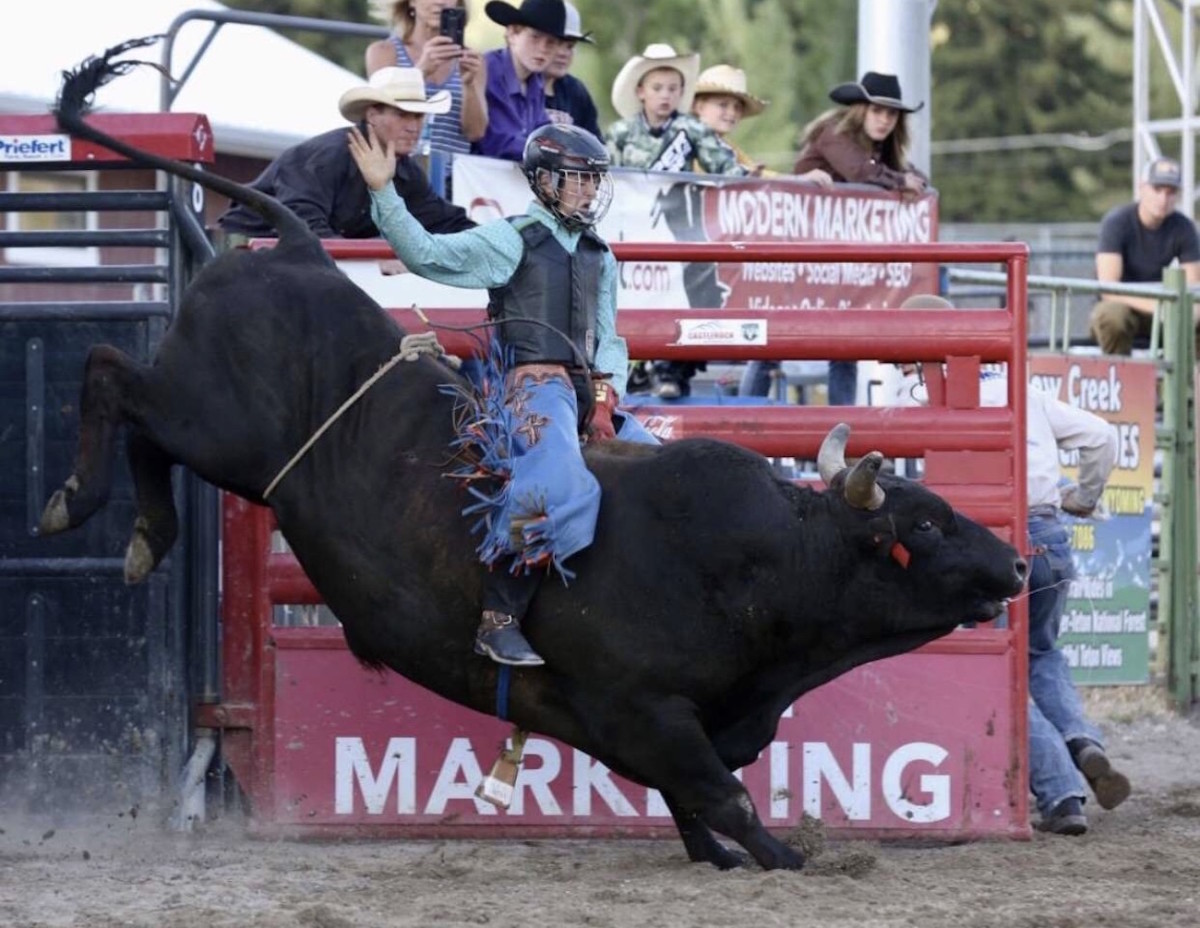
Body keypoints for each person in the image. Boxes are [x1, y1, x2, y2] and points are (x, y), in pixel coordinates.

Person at [349, 121, 643, 667]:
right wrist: (382, 191)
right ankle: (499, 615)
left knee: (657, 463)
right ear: (545, 182)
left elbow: (610, 338)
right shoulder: (511, 239)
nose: (588, 190)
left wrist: (606, 398)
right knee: (557, 483)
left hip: (586, 392)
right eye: (577, 178)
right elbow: (426, 254)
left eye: (592, 180)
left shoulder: (601, 255)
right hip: (531, 387)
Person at [889, 295, 1131, 836]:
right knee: (1040, 652)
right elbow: (1102, 436)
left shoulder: (918, 394)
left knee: (997, 664)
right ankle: (1082, 740)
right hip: (1048, 533)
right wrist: (1085, 499)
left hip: (981, 547)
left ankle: (1061, 793)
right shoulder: (1023, 389)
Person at [793, 72, 928, 407]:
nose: (884, 120)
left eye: (891, 114)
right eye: (877, 111)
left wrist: (911, 180)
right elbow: (858, 172)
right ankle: (748, 419)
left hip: (839, 258)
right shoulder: (833, 134)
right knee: (771, 343)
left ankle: (841, 433)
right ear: (860, 110)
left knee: (845, 344)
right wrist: (902, 181)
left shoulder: (881, 152)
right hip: (800, 249)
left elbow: (910, 175)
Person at [218, 68, 473, 241]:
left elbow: (444, 221)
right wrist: (373, 259)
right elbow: (305, 226)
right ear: (372, 116)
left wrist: (497, 239)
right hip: (243, 251)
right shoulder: (325, 157)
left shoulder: (407, 172)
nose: (413, 126)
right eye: (402, 114)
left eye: (418, 116)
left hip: (299, 262)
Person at [363, 0, 488, 196]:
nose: (440, 2)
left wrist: (468, 84)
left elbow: (475, 132)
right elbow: (379, 115)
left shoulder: (471, 60)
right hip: (398, 175)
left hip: (453, 182)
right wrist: (420, 71)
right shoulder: (384, 51)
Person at [1091, 157, 1200, 355]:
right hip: (1125, 309)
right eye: (1157, 189)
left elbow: (1193, 287)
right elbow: (1108, 288)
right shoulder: (1117, 222)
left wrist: (1188, 312)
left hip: (1164, 311)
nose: (1163, 198)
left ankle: (1190, 382)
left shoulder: (1184, 227)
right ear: (1142, 188)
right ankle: (1120, 380)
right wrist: (1158, 306)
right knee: (1113, 316)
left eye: (1170, 192)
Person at [473, 0, 578, 162]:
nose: (543, 49)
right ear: (512, 34)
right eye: (535, 37)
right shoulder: (489, 70)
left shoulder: (535, 81)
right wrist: (553, 152)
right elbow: (497, 142)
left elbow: (542, 131)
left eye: (551, 42)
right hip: (471, 179)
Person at [542, 1, 602, 142]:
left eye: (569, 46)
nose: (563, 53)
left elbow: (594, 144)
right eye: (555, 43)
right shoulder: (520, 86)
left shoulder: (576, 92)